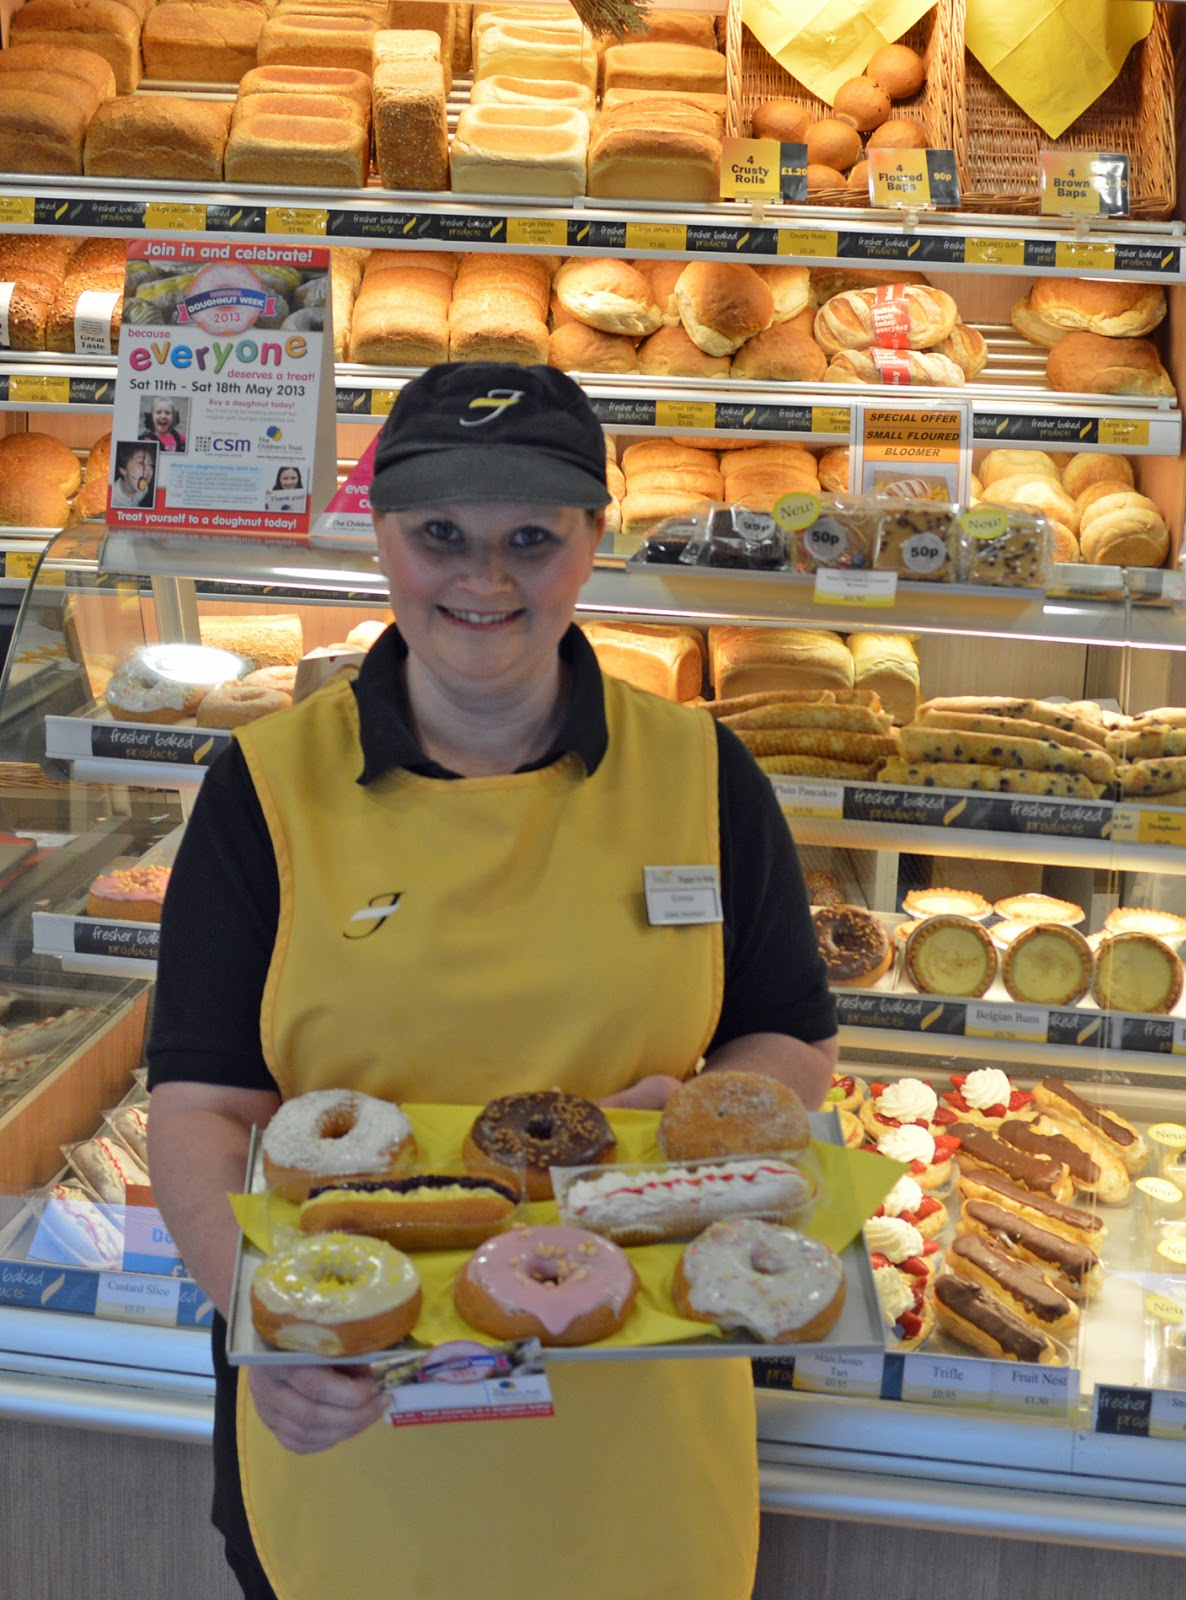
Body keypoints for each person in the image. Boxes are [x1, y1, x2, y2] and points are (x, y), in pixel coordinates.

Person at [146, 363, 837, 1600]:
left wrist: (674, 1130)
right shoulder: (265, 788)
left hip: (636, 1428)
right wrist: (267, 1326)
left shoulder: (700, 770)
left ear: (594, 539)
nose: (484, 580)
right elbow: (202, 1101)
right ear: (382, 537)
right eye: (441, 536)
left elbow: (787, 1034)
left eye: (532, 536)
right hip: (358, 1433)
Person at [109, 444, 154, 509]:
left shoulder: (144, 490)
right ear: (123, 470)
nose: (148, 469)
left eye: (150, 464)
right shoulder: (112, 497)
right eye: (141, 462)